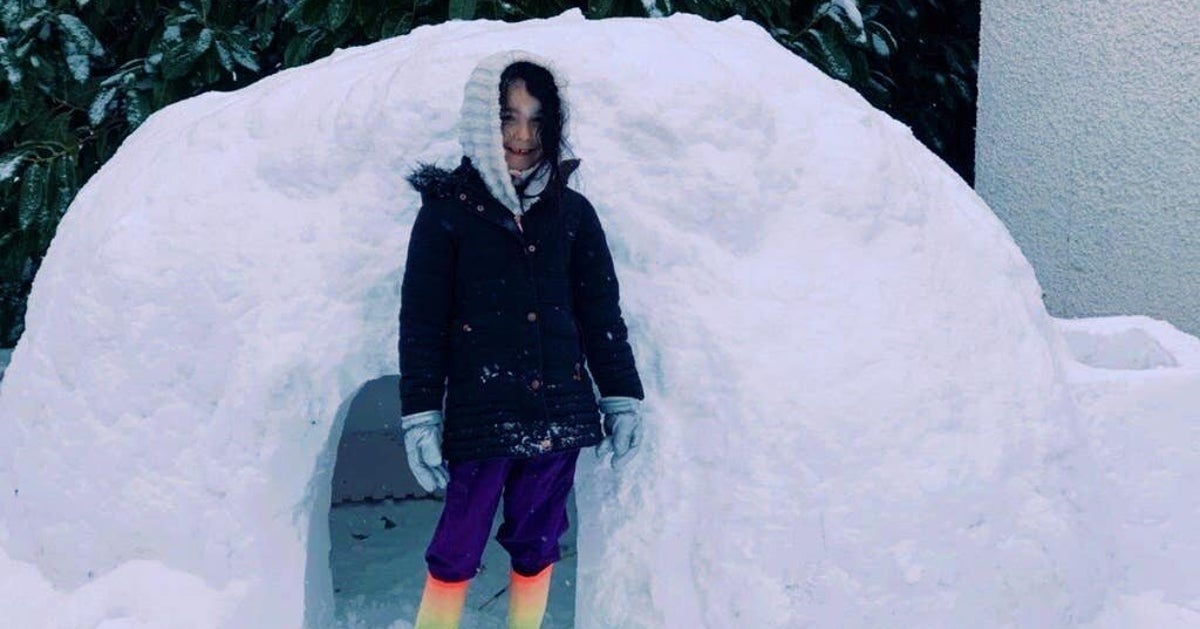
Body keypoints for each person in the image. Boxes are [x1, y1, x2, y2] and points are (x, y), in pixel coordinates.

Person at [398, 50, 645, 629]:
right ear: (482, 121)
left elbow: (600, 312)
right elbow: (422, 323)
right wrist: (419, 416)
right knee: (456, 548)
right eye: (508, 117)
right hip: (482, 418)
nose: (523, 136)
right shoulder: (446, 214)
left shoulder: (573, 213)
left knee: (537, 543)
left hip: (559, 414)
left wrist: (621, 395)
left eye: (537, 120)